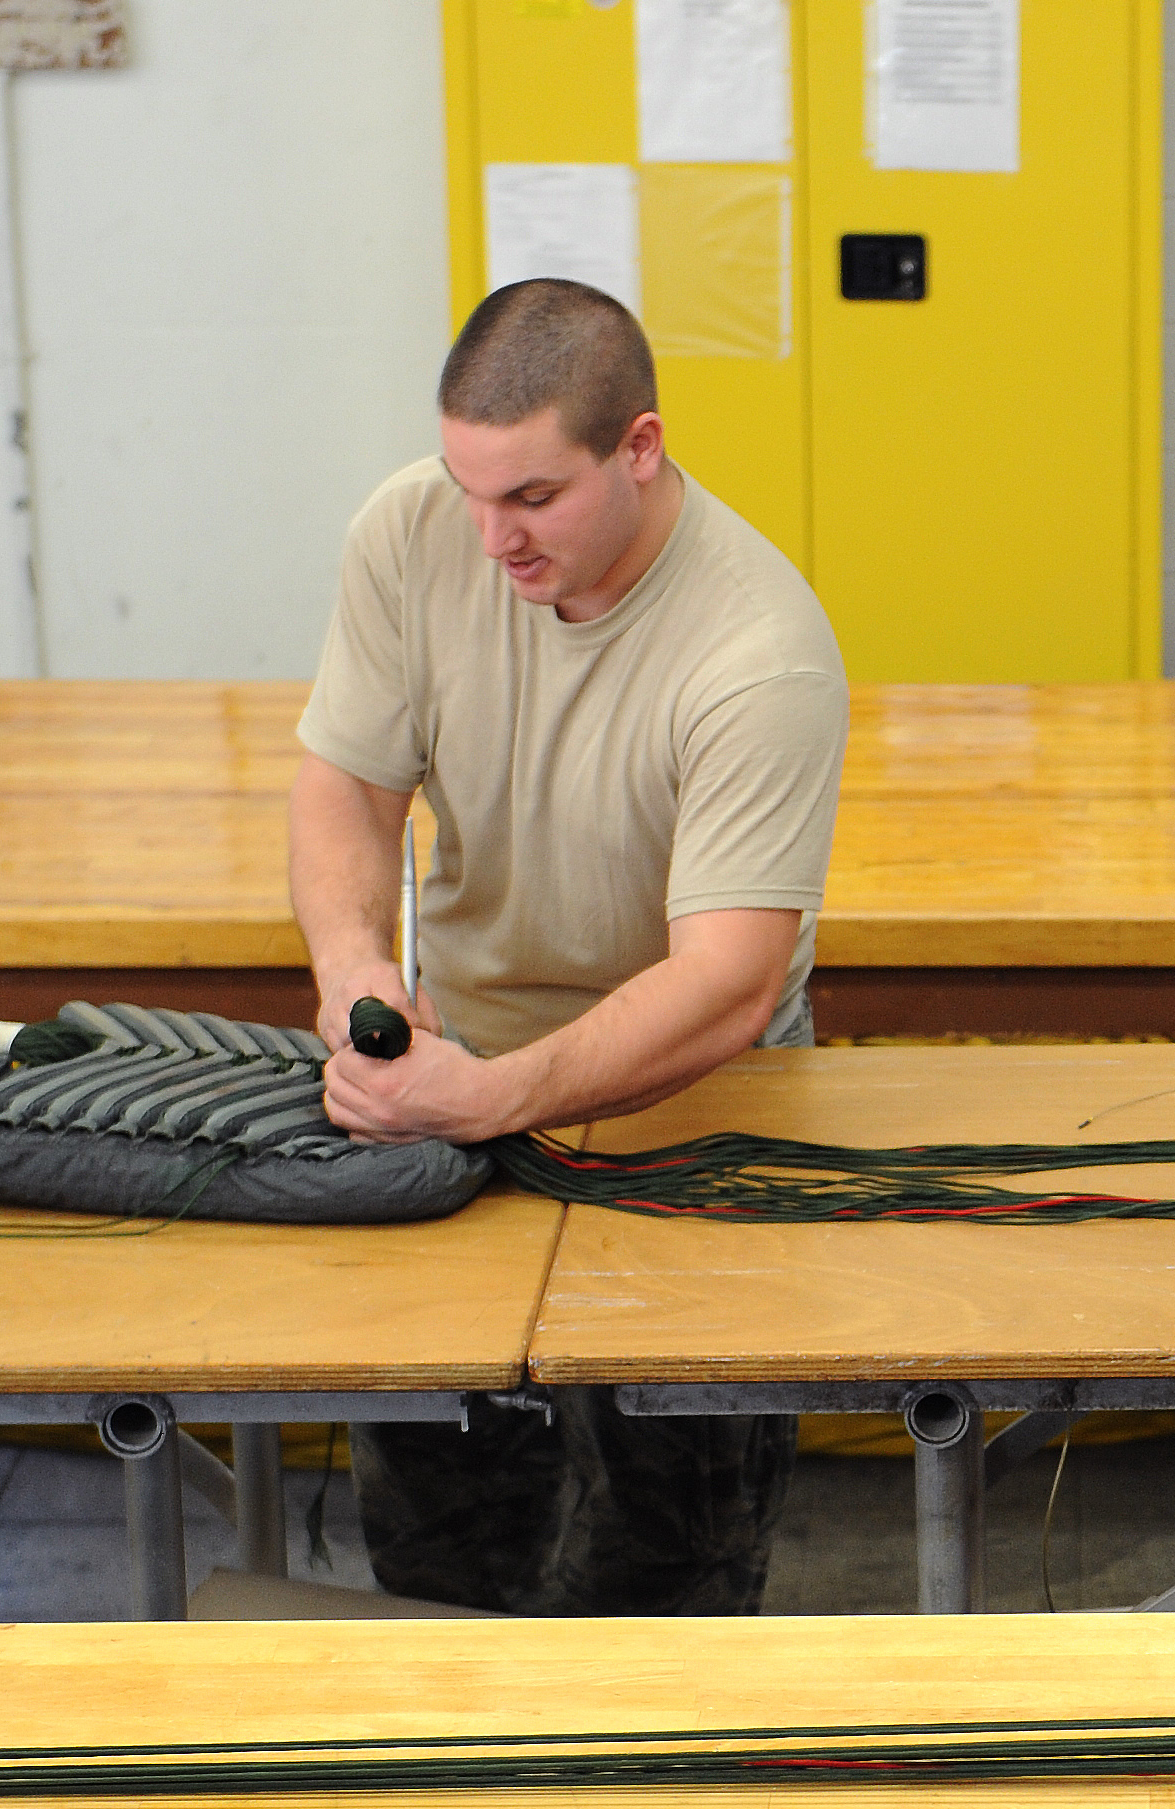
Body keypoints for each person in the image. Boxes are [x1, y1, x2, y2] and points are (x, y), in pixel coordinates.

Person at [288, 278, 846, 1614]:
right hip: (458, 1081)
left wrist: (485, 1095)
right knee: (438, 1552)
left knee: (670, 1574)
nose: (491, 540)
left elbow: (726, 985)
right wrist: (357, 973)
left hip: (695, 1114)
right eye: (468, 489)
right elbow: (347, 791)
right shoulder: (411, 533)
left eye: (532, 499)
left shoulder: (759, 651)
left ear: (639, 449)